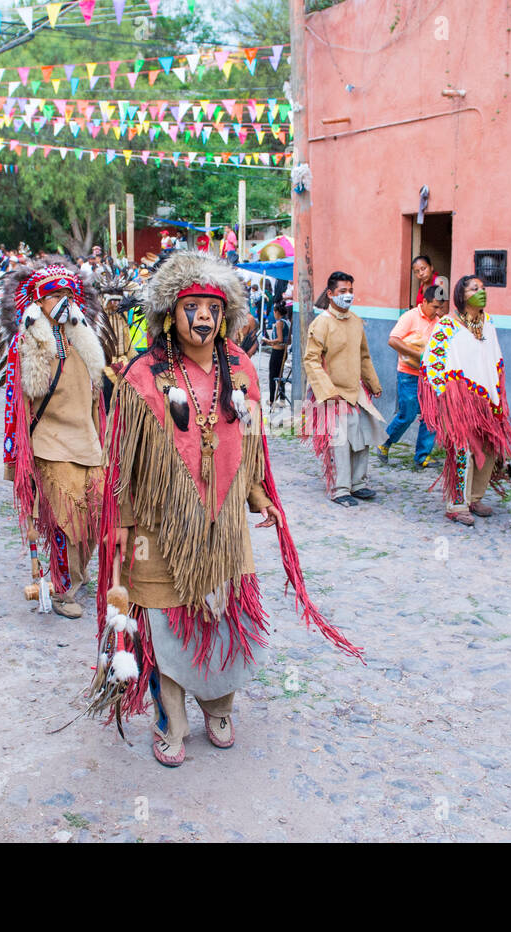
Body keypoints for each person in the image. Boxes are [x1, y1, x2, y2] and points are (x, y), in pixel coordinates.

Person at [88, 250, 361, 767]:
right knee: (165, 624)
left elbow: (253, 438)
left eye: (212, 307)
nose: (203, 318)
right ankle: (170, 717)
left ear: (225, 313)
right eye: (192, 306)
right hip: (159, 525)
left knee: (222, 617)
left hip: (226, 521)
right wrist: (121, 522)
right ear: (171, 313)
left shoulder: (240, 368)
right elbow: (121, 456)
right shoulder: (144, 375)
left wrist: (259, 493)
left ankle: (219, 704)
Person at [2, 264, 106, 619]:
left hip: (87, 441)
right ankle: (62, 590)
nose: (62, 303)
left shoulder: (84, 337)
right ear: (39, 302)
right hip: (49, 443)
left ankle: (78, 574)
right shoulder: (26, 343)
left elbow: (97, 397)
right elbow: (16, 405)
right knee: (63, 521)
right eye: (54, 297)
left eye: (67, 296)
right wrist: (15, 459)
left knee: (94, 518)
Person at [419, 275, 511, 526]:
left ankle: (474, 497)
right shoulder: (447, 325)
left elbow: (496, 359)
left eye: (483, 288)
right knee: (462, 449)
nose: (481, 291)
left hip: (485, 400)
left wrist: (497, 395)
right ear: (461, 295)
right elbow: (431, 362)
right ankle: (456, 503)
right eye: (474, 288)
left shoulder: (488, 323)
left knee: (487, 449)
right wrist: (445, 395)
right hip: (457, 401)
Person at [301, 271, 386, 506]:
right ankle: (340, 489)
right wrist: (328, 393)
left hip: (355, 390)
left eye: (350, 290)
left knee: (364, 434)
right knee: (339, 441)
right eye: (342, 291)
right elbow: (311, 360)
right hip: (331, 392)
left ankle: (358, 484)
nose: (348, 295)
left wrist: (373, 383)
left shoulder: (357, 321)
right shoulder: (321, 323)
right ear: (330, 294)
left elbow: (364, 356)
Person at [380, 279, 446, 469]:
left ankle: (422, 456)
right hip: (408, 374)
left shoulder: (439, 322)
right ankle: (385, 442)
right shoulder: (410, 317)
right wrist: (417, 354)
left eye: (440, 307)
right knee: (407, 414)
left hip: (430, 376)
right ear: (424, 302)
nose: (437, 311)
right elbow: (392, 340)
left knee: (431, 414)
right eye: (434, 306)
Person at [266, 302, 290, 404]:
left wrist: (269, 341)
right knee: (279, 375)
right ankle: (282, 399)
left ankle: (272, 399)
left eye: (274, 312)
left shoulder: (279, 323)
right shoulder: (287, 322)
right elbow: (288, 340)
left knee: (272, 376)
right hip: (283, 351)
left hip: (277, 352)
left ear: (276, 312)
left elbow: (279, 339)